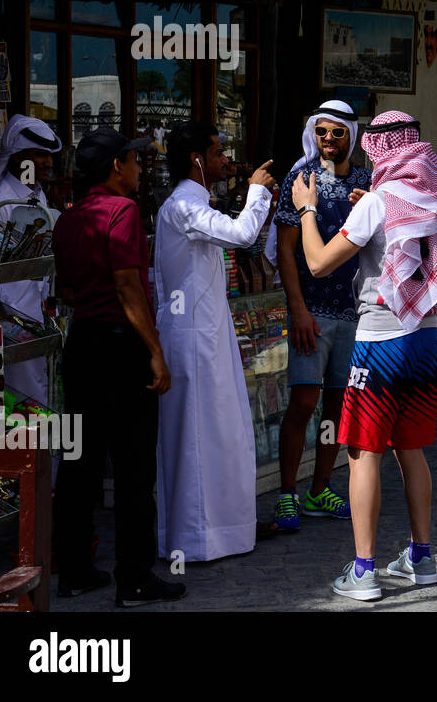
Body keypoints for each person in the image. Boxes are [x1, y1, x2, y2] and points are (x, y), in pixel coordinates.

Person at [292, 111, 437, 601]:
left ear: (380, 150)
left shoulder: (376, 202)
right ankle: (421, 556)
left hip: (379, 338)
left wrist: (307, 209)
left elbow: (319, 261)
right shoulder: (433, 196)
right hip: (423, 335)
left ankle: (365, 569)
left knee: (363, 452)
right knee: (409, 447)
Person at [50, 127, 186, 607]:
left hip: (83, 341)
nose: (139, 167)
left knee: (79, 464)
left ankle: (75, 570)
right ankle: (134, 578)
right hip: (119, 343)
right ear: (115, 166)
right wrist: (154, 349)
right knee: (132, 467)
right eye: (133, 159)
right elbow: (129, 286)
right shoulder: (122, 211)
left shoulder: (69, 219)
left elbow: (67, 291)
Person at [153, 122, 275, 562]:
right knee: (198, 434)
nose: (227, 159)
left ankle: (225, 529)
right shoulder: (184, 204)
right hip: (191, 336)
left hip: (206, 330)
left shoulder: (193, 203)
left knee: (221, 429)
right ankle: (196, 537)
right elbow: (242, 235)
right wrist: (256, 192)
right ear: (196, 160)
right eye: (218, 152)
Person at [268, 100, 371, 530]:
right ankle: (287, 493)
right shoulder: (301, 177)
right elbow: (286, 250)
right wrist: (298, 310)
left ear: (351, 135)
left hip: (355, 312)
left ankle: (320, 489)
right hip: (311, 312)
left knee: (338, 404)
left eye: (337, 132)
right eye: (322, 132)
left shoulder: (368, 182)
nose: (328, 139)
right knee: (303, 401)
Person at [0, 115, 62, 408]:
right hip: (13, 327)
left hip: (37, 319)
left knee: (41, 402)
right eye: (39, 155)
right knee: (23, 403)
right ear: (18, 158)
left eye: (49, 155)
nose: (48, 163)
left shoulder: (36, 196)